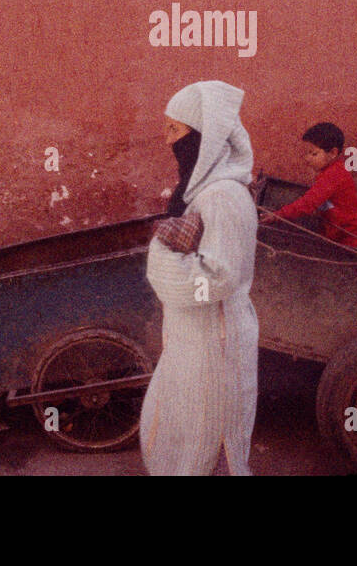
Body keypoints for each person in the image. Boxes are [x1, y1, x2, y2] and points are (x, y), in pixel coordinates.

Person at [140, 80, 259, 475]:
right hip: (199, 343)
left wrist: (159, 259)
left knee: (208, 442)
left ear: (202, 139)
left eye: (175, 130)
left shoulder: (222, 197)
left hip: (215, 347)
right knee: (187, 434)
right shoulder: (204, 194)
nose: (166, 139)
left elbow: (218, 277)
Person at [259, 122, 357, 249]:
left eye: (313, 154)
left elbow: (308, 204)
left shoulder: (334, 175)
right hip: (336, 237)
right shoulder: (330, 172)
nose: (307, 158)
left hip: (348, 244)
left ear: (332, 153)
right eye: (307, 153)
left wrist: (278, 215)